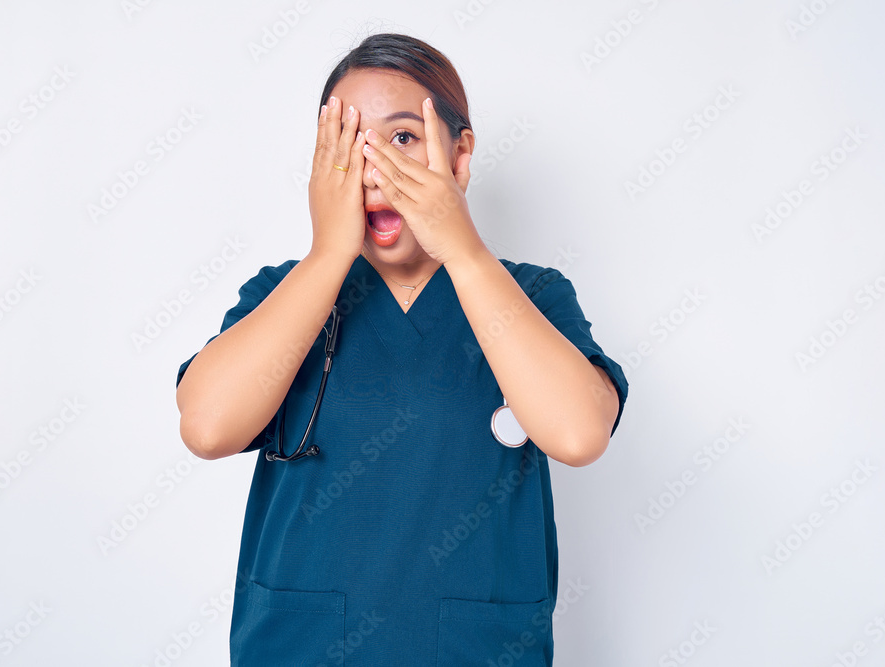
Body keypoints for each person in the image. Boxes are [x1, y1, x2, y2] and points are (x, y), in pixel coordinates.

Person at [175, 32, 628, 666]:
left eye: (403, 139)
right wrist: (329, 253)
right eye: (349, 145)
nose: (375, 171)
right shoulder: (286, 292)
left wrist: (463, 251)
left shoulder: (531, 295)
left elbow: (580, 435)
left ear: (460, 155)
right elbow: (206, 427)